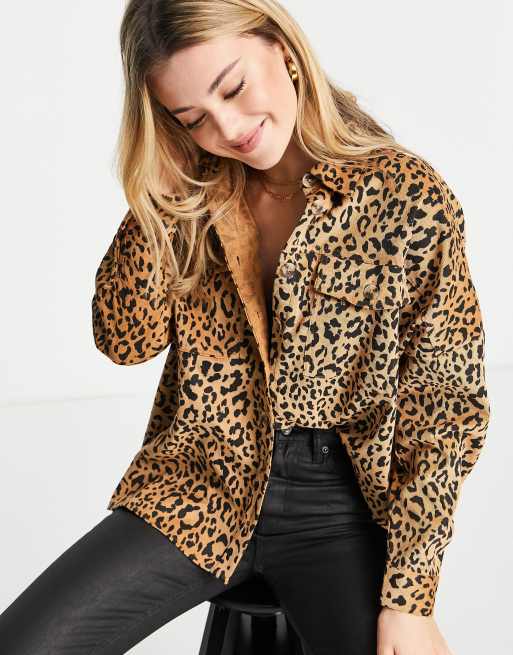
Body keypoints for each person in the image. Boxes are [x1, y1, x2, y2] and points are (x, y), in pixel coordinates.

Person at [0, 1, 490, 654]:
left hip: (337, 504)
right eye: (191, 118)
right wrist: (154, 196)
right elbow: (125, 340)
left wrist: (409, 597)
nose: (227, 129)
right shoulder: (195, 193)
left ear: (282, 49)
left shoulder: (408, 196)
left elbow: (445, 408)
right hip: (199, 483)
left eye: (233, 88)